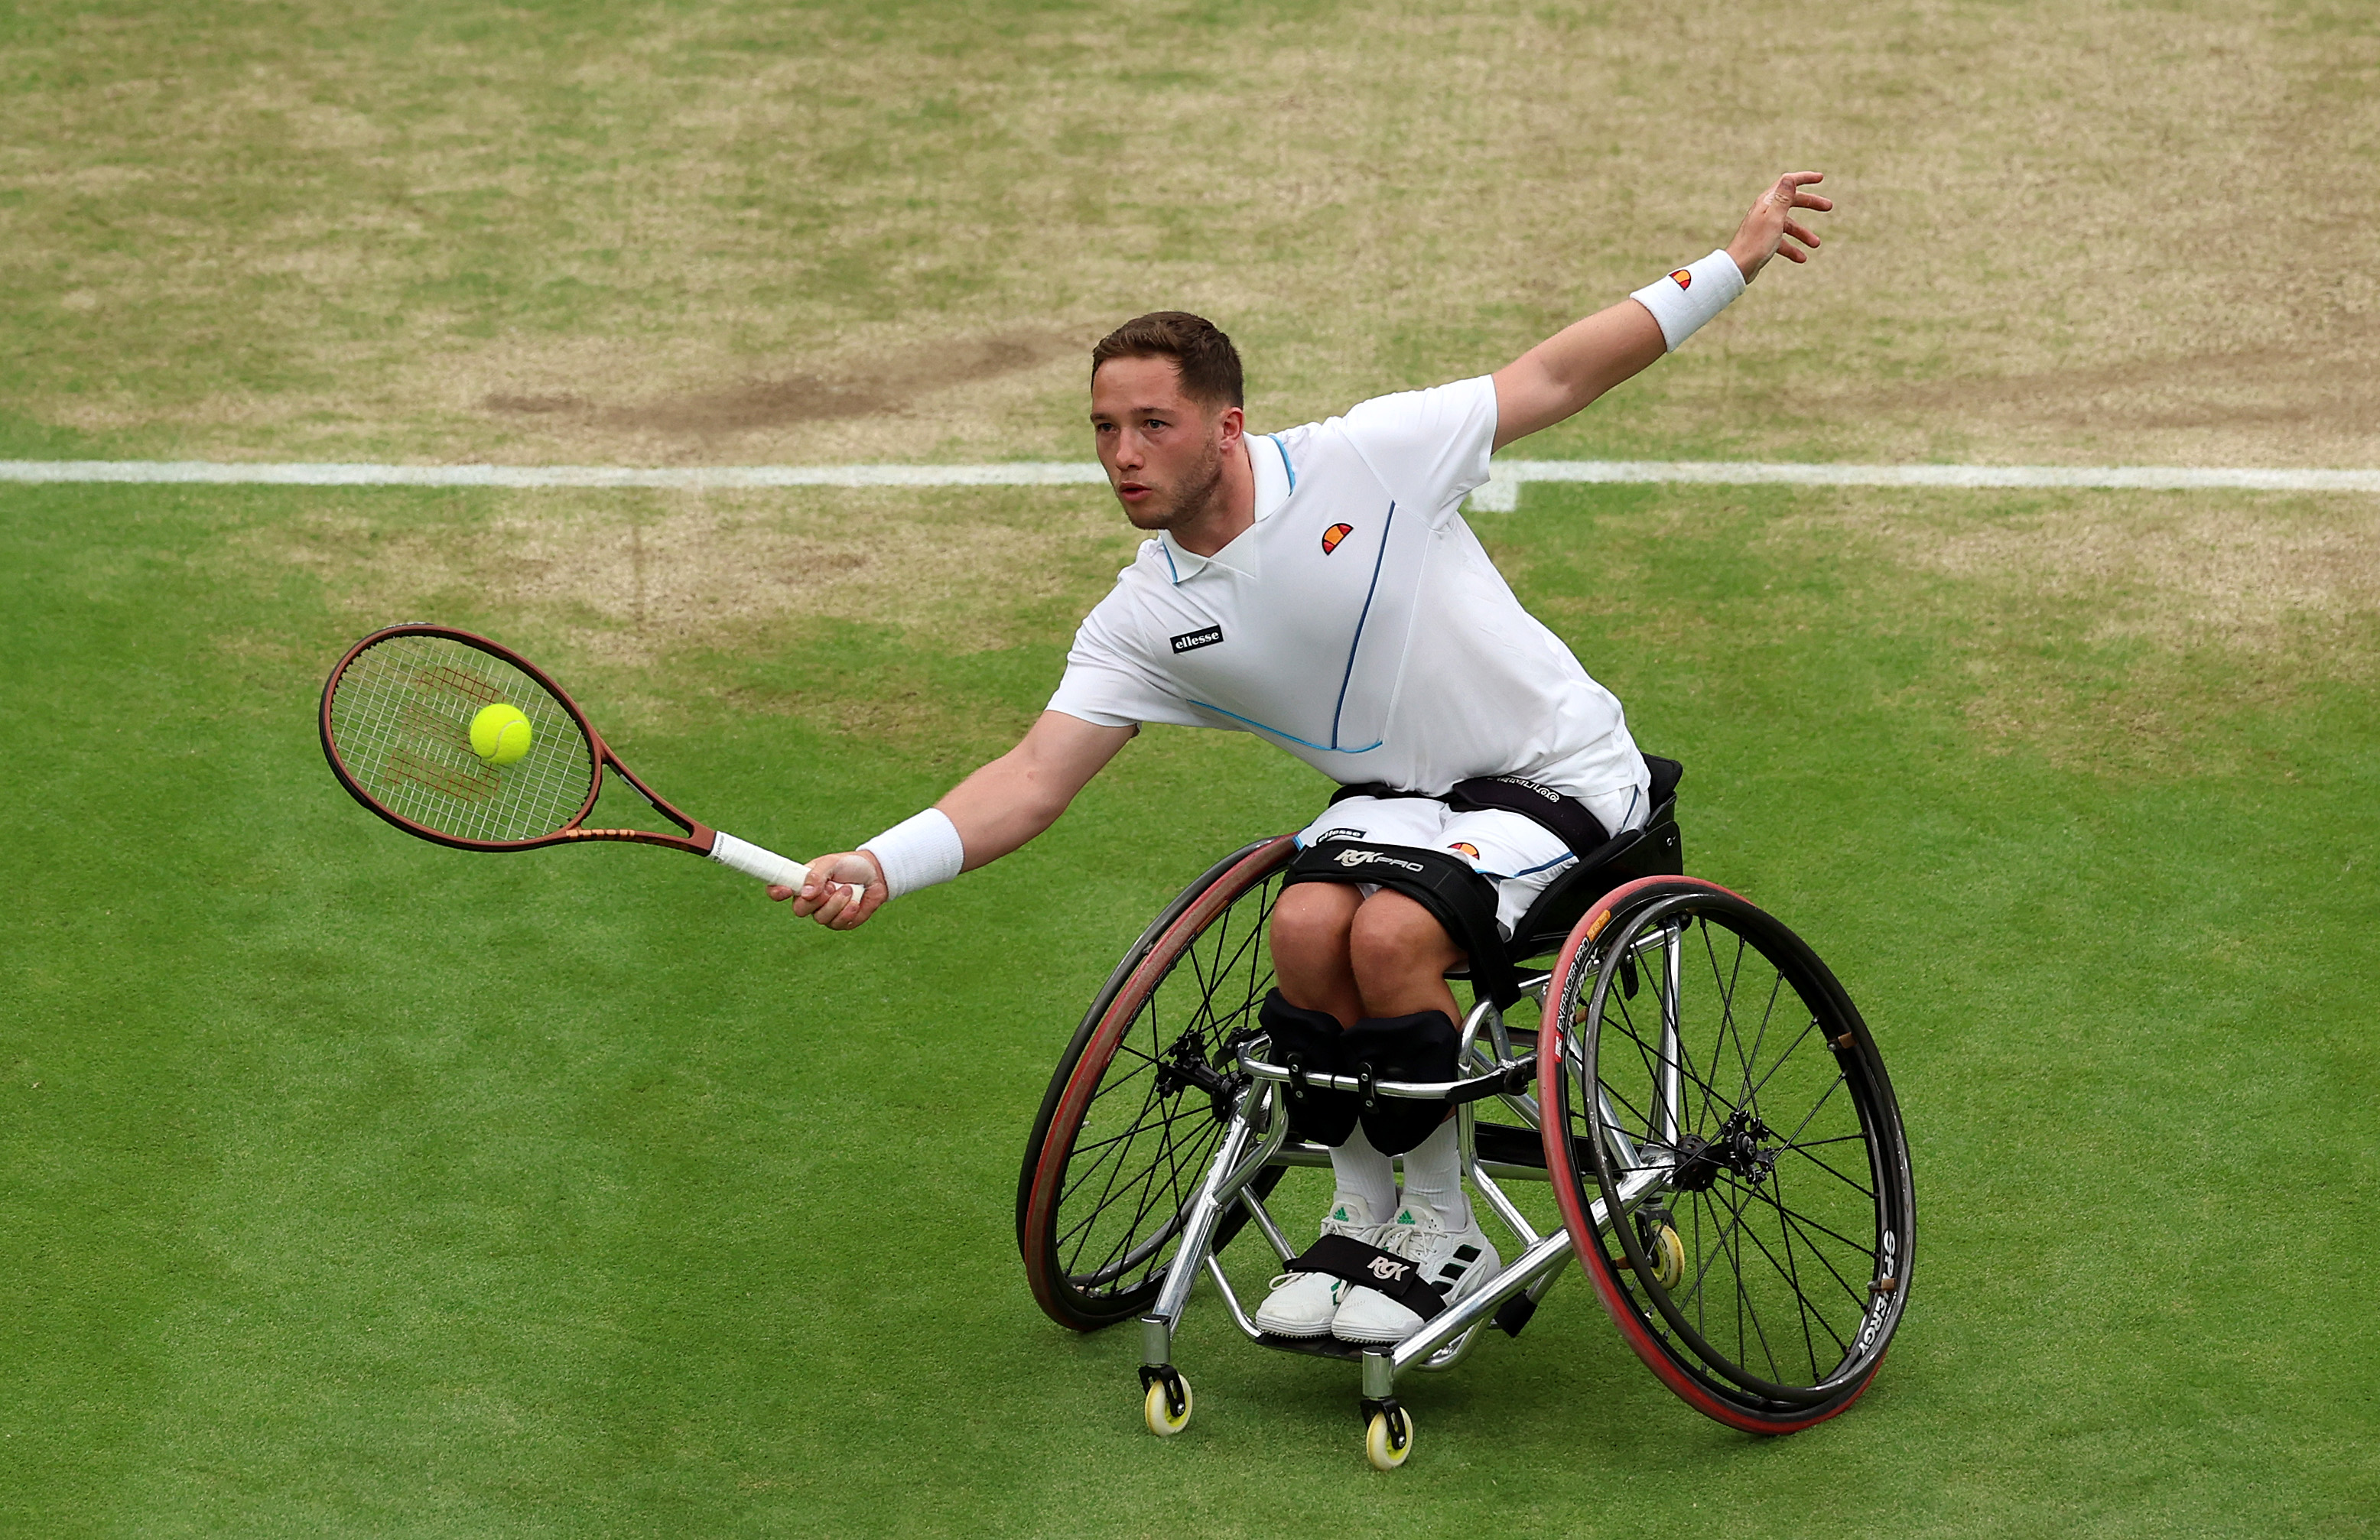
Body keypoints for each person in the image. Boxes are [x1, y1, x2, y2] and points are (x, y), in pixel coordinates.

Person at [775, 172, 1832, 1345]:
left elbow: (1555, 373)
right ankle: (1361, 1212)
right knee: (1298, 930)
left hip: (1562, 774)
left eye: (1151, 425)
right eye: (1104, 430)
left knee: (1385, 934)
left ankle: (1444, 1228)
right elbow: (1031, 778)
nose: (1122, 455)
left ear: (1226, 425)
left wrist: (1725, 266)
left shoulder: (1367, 458)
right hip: (1406, 805)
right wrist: (880, 861)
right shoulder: (1141, 618)